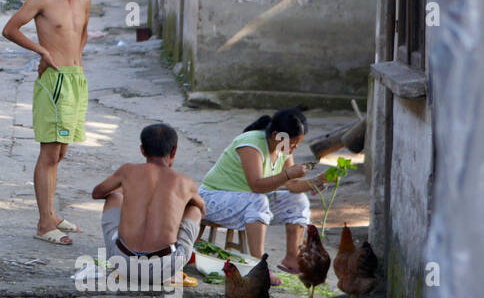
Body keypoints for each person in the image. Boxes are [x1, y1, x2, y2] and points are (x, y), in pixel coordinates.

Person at [1, 0, 92, 244]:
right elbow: (10, 28)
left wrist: (74, 61)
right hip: (53, 83)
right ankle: (43, 224)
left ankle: (51, 214)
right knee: (50, 152)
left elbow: (82, 34)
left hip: (75, 80)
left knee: (61, 151)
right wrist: (42, 52)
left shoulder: (84, 0)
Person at [199, 108, 330, 283]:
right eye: (292, 143)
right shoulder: (251, 144)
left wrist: (316, 181)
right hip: (213, 199)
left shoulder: (283, 150)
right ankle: (259, 267)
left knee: (298, 200)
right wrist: (288, 174)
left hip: (245, 200)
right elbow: (257, 186)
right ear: (276, 135)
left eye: (297, 143)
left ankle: (292, 258)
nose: (294, 148)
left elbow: (292, 186)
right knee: (258, 201)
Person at [91, 124, 204, 287]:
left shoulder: (127, 170)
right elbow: (202, 208)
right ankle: (174, 269)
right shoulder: (186, 182)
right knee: (194, 210)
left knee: (114, 196)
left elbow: (97, 193)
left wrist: (129, 189)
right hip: (164, 269)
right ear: (174, 152)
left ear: (142, 150)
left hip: (122, 264)